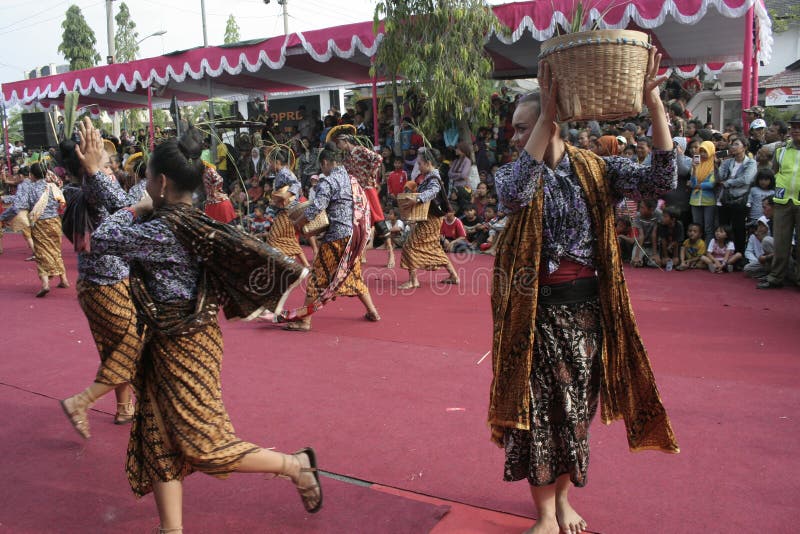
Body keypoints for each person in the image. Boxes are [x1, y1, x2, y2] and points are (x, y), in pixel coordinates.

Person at [75, 124, 320, 531]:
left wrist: (131, 202)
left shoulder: (164, 229)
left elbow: (106, 234)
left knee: (206, 446)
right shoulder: (182, 220)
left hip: (184, 344)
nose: (143, 188)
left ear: (163, 181)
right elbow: (131, 210)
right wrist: (99, 173)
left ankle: (295, 465)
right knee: (159, 438)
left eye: (147, 180)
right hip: (168, 339)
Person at [489, 51, 678, 534]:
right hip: (531, 318)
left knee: (574, 412)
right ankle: (545, 513)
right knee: (533, 415)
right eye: (514, 128)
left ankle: (565, 501)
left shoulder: (597, 168)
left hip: (587, 315)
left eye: (522, 126)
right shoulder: (514, 174)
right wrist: (545, 117)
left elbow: (662, 179)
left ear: (553, 125)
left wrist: (654, 104)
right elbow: (513, 196)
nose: (514, 136)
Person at [59, 120, 149, 437]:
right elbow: (124, 207)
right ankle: (81, 401)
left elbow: (125, 197)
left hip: (102, 283)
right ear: (88, 167)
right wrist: (97, 169)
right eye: (106, 163)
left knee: (115, 347)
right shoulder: (88, 190)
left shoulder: (81, 189)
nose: (111, 168)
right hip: (106, 285)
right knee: (133, 345)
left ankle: (125, 407)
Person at [283, 142, 380, 331]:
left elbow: (316, 208)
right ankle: (373, 311)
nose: (322, 170)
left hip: (337, 236)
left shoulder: (328, 181)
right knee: (353, 274)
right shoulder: (351, 178)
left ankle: (304, 321)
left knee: (317, 277)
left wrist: (298, 223)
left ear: (326, 162)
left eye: (322, 166)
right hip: (354, 234)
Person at [0, 160, 69, 296]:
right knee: (55, 249)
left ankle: (45, 283)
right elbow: (61, 202)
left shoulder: (27, 187)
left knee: (41, 252)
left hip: (40, 223)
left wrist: (3, 217)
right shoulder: (52, 186)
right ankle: (64, 279)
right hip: (55, 221)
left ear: (31, 175)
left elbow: (18, 206)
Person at [397, 148, 461, 289]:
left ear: (428, 163)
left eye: (420, 164)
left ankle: (413, 280)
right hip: (431, 218)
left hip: (431, 219)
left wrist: (418, 199)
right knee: (434, 247)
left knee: (410, 245)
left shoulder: (433, 177)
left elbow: (433, 191)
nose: (418, 167)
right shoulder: (431, 176)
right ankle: (454, 275)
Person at [758, 114, 800, 289]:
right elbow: (775, 171)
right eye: (794, 127)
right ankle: (776, 277)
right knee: (780, 241)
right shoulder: (781, 150)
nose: (797, 130)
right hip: (783, 202)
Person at [264, 147, 310, 267]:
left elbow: (297, 184)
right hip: (285, 210)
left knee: (273, 237)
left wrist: (285, 195)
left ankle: (286, 262)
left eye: (271, 162)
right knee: (290, 238)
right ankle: (305, 264)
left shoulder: (284, 172)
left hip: (287, 210)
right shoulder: (281, 173)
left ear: (277, 162)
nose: (270, 165)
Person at [717, 137, 756, 255]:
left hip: (740, 199)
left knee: (739, 228)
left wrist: (729, 182)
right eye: (732, 144)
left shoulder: (751, 162)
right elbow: (719, 177)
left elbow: (746, 179)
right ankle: (723, 255)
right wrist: (717, 164)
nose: (732, 147)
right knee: (724, 227)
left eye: (736, 144)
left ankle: (738, 255)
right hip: (725, 198)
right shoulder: (727, 162)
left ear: (744, 147)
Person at [689, 140, 717, 244]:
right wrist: (694, 169)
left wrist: (699, 186)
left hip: (709, 201)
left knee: (708, 228)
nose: (702, 154)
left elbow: (712, 183)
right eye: (701, 151)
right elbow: (692, 183)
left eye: (705, 151)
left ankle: (707, 250)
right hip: (695, 200)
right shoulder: (697, 164)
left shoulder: (714, 166)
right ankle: (697, 250)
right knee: (696, 227)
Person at [631, 199, 660, 267]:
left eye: (642, 207)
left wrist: (655, 254)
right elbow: (641, 236)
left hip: (653, 245)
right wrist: (637, 256)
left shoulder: (658, 214)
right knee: (636, 263)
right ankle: (643, 258)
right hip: (641, 244)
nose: (639, 209)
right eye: (640, 207)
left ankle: (647, 259)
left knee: (655, 264)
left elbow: (654, 234)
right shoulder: (637, 216)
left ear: (651, 209)